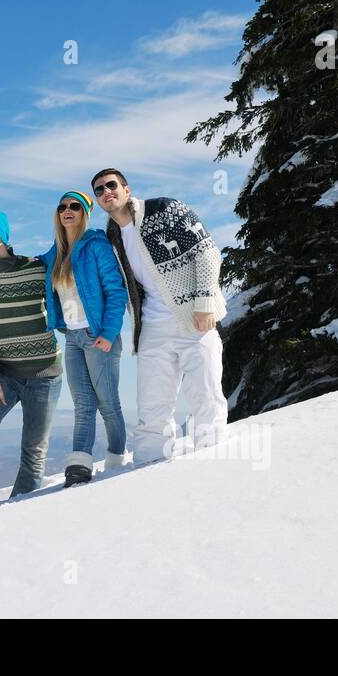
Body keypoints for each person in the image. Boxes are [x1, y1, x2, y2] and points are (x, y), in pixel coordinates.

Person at [91, 168, 228, 463]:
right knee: (152, 408)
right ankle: (147, 469)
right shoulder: (112, 235)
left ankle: (213, 463)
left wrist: (204, 302)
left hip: (192, 317)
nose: (106, 192)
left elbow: (207, 252)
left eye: (111, 185)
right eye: (99, 190)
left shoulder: (165, 208)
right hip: (152, 326)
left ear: (126, 190)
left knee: (205, 397)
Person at [0, 209, 62, 511]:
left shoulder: (36, 268)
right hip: (3, 376)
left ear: (1, 235)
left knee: (34, 449)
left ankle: (20, 509)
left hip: (46, 373)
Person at [40, 190, 130, 486]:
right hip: (73, 337)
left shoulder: (95, 245)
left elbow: (116, 291)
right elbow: (30, 268)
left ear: (84, 213)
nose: (67, 210)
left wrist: (108, 332)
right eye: (62, 205)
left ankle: (117, 457)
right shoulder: (55, 253)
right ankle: (79, 465)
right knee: (82, 402)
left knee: (107, 402)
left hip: (98, 335)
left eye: (75, 206)